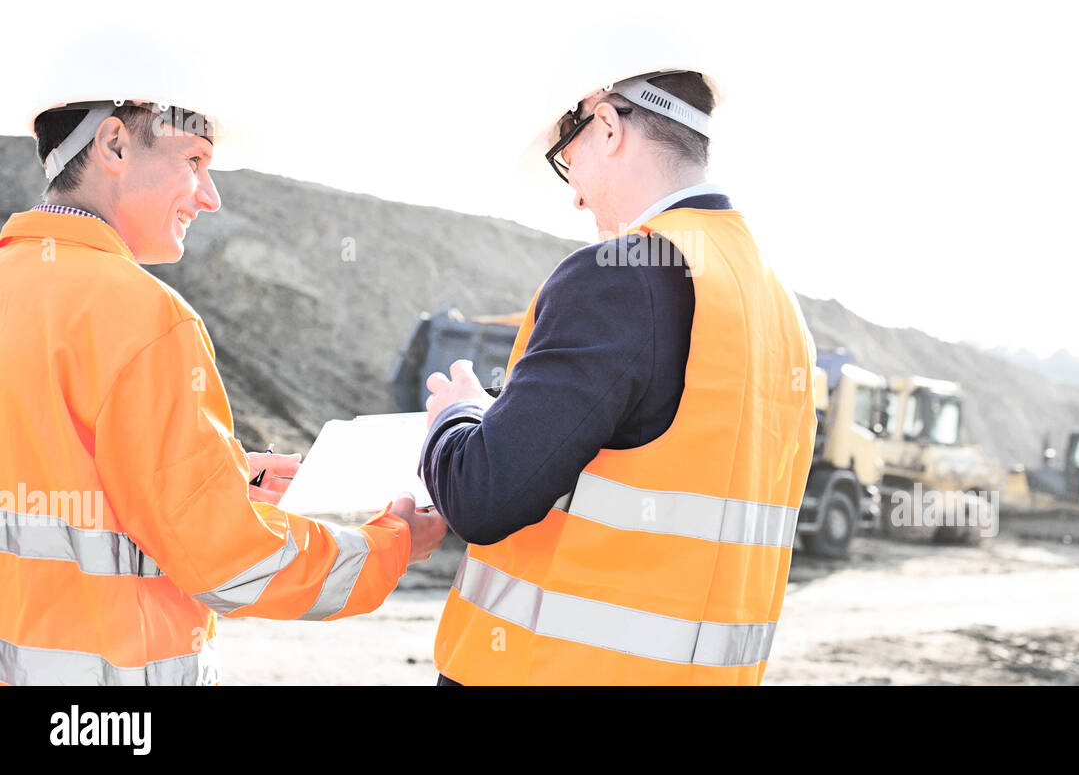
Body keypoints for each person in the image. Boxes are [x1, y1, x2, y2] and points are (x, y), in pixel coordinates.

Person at [0, 48, 446, 685]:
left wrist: (226, 474)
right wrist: (392, 546)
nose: (208, 196)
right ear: (115, 144)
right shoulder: (144, 316)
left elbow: (59, 477)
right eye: (195, 161)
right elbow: (228, 561)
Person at [420, 61, 818, 684]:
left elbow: (484, 496)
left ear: (606, 126)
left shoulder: (621, 274)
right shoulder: (776, 306)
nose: (574, 193)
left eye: (565, 158)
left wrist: (457, 416)